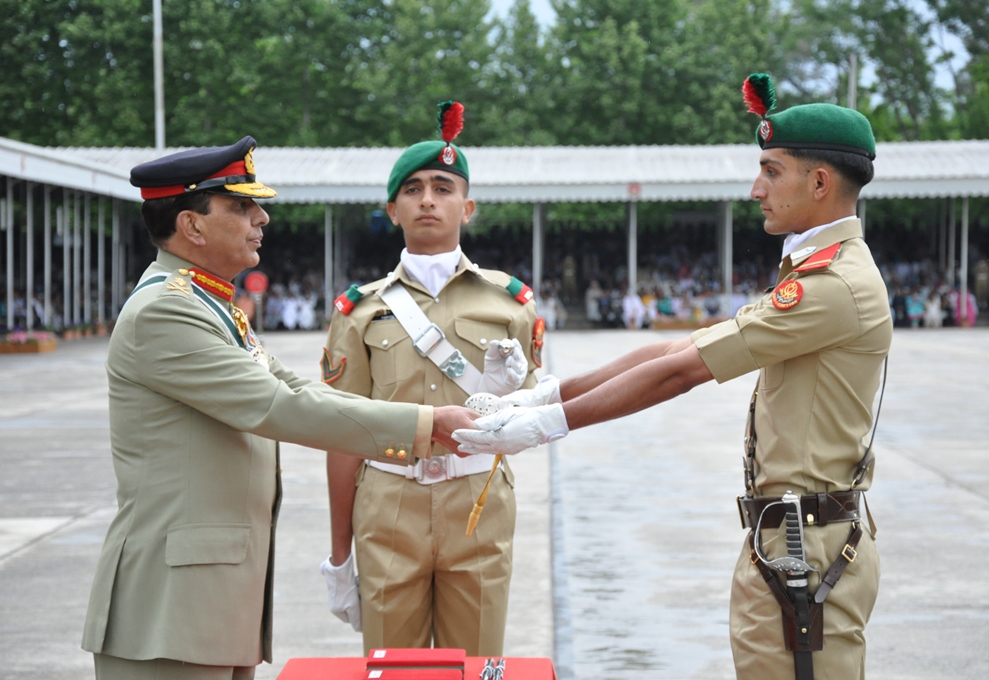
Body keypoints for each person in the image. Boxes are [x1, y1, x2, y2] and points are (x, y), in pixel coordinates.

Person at [455, 74, 893, 680]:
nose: (756, 189)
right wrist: (543, 394)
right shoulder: (817, 272)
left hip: (807, 551)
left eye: (771, 171)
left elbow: (681, 372)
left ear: (819, 183)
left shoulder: (832, 285)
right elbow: (679, 346)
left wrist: (545, 425)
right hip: (794, 538)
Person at [81, 136, 473, 680]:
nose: (260, 218)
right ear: (192, 225)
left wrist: (430, 421)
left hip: (210, 603)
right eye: (241, 206)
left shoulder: (210, 305)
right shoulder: (165, 313)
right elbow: (280, 405)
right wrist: (428, 425)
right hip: (168, 610)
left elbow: (296, 388)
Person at [319, 102, 541, 656]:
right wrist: (340, 556)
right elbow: (341, 433)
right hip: (388, 503)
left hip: (478, 501)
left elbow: (534, 417)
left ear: (468, 207)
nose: (427, 200)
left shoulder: (511, 303)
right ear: (392, 210)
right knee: (396, 670)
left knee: (479, 665)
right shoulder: (359, 311)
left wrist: (510, 396)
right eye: (413, 189)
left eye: (443, 188)